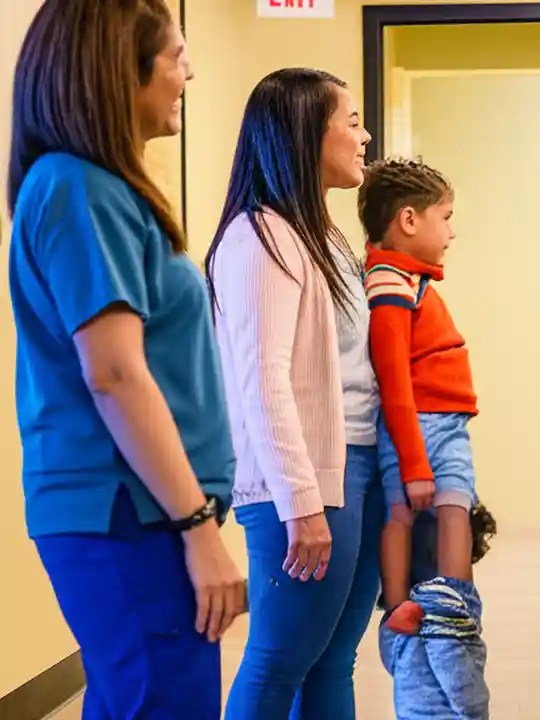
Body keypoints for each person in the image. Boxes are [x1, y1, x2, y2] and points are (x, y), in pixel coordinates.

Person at [6, 0, 243, 716]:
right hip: (125, 513)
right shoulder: (78, 188)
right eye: (176, 56)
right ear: (120, 71)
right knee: (165, 701)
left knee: (136, 699)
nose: (188, 73)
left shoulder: (97, 189)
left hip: (135, 513)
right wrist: (197, 526)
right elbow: (112, 373)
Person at [204, 68, 383, 720]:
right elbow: (263, 381)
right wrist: (301, 505)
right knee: (279, 661)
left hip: (353, 468)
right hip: (302, 485)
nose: (365, 137)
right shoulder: (262, 236)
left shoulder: (324, 236)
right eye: (353, 121)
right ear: (309, 133)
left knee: (334, 660)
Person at [358, 158, 498, 718]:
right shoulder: (390, 282)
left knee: (438, 509)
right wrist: (415, 461)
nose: (452, 231)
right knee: (432, 507)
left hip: (437, 422)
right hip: (426, 423)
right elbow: (393, 375)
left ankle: (431, 602)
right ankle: (428, 607)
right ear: (409, 220)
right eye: (447, 217)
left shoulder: (405, 279)